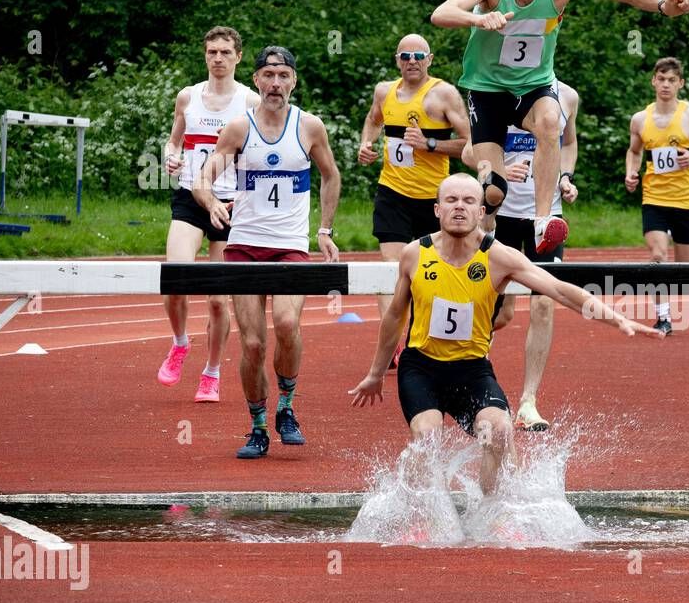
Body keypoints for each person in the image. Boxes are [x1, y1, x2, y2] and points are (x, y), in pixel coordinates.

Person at [349, 174, 662, 494]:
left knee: (498, 432)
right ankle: (416, 511)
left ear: (481, 212)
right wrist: (375, 373)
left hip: (470, 369)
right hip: (421, 367)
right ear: (437, 210)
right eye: (451, 201)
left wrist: (616, 319)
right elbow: (394, 316)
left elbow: (559, 290)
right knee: (428, 438)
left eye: (469, 201)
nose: (460, 207)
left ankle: (492, 512)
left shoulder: (499, 256)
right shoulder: (415, 254)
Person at [430, 0, 689, 256]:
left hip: (534, 84)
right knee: (493, 188)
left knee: (550, 122)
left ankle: (542, 221)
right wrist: (477, 19)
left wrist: (662, 5)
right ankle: (490, 213)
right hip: (488, 89)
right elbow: (442, 13)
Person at [192, 46, 342, 459]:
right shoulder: (239, 129)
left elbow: (331, 176)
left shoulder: (309, 127)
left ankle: (286, 408)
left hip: (290, 248)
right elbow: (202, 178)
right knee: (254, 344)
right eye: (268, 75)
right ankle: (258, 426)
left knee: (287, 325)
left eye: (283, 76)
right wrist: (212, 203)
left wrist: (324, 230)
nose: (276, 84)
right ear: (256, 80)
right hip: (243, 248)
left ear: (294, 81)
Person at [468, 80, 580, 432]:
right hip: (500, 217)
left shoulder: (567, 96)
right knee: (497, 311)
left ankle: (529, 401)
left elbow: (569, 143)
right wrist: (495, 171)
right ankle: (474, 375)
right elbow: (470, 150)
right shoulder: (494, 89)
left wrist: (565, 177)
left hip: (545, 219)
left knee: (544, 303)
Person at [158, 26, 259, 401]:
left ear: (238, 57)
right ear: (205, 55)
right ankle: (180, 342)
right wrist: (170, 155)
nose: (218, 58)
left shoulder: (249, 102)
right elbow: (174, 139)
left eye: (225, 52)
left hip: (232, 202)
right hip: (191, 197)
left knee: (218, 299)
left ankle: (212, 372)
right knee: (175, 279)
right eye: (211, 52)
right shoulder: (188, 96)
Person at [357, 34, 471, 326]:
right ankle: (393, 340)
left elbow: (472, 143)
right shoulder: (384, 91)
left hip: (433, 199)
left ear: (429, 60)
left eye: (419, 56)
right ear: (397, 60)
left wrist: (429, 144)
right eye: (405, 56)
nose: (412, 62)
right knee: (392, 270)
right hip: (392, 193)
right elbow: (373, 120)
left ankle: (426, 334)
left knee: (432, 271)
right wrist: (366, 144)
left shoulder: (443, 94)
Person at [624, 57, 689, 335]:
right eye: (661, 79)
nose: (665, 85)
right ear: (653, 81)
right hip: (654, 198)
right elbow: (634, 151)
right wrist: (631, 173)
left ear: (680, 83)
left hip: (685, 199)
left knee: (686, 266)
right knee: (657, 255)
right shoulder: (640, 119)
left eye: (671, 80)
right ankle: (664, 316)